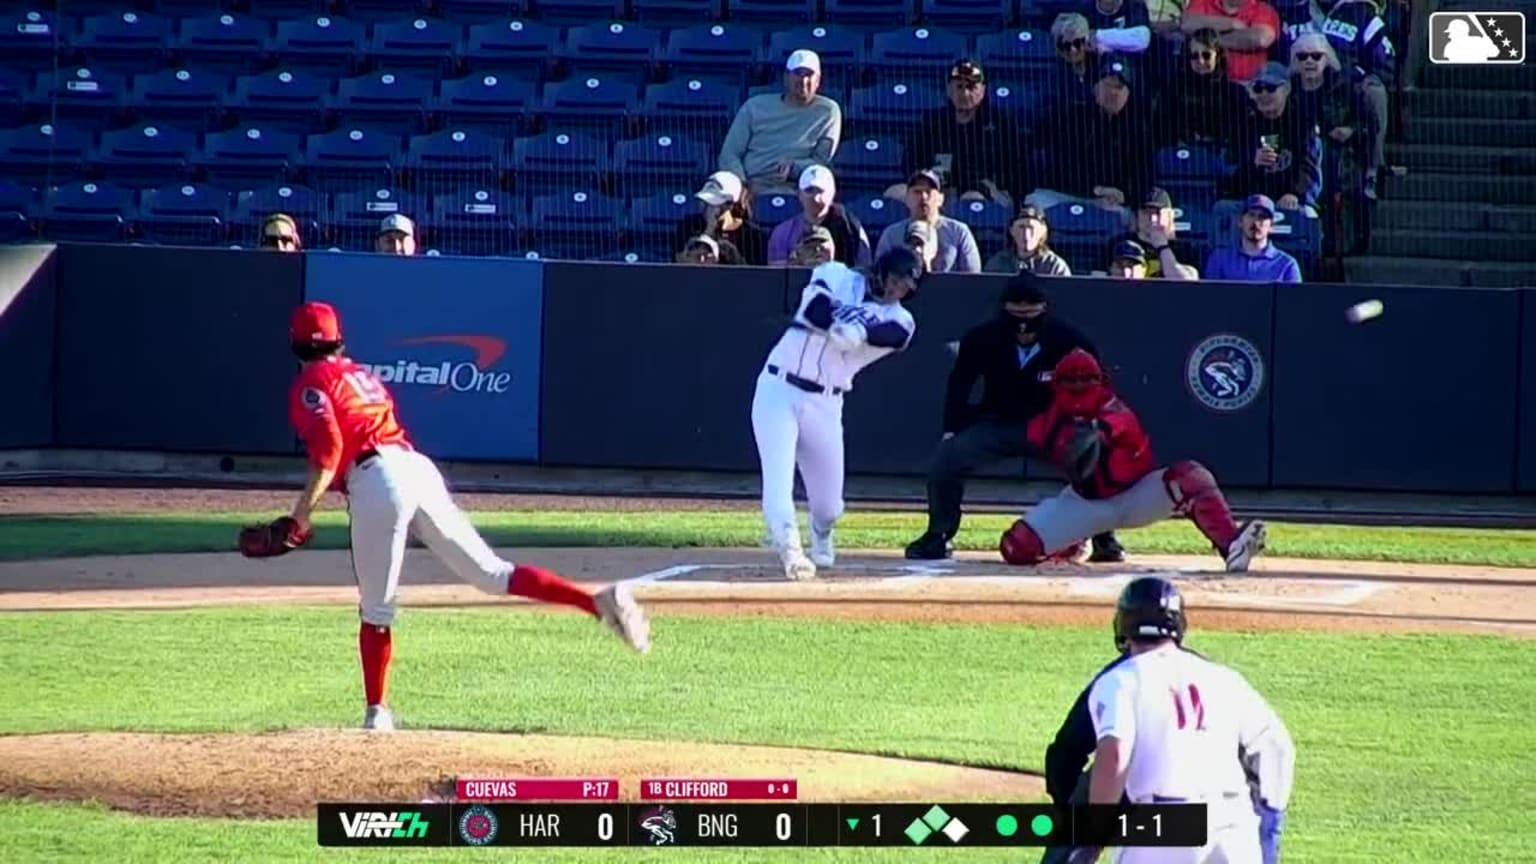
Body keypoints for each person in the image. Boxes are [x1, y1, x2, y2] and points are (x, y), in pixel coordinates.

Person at [238, 302, 651, 731]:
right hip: (416, 468)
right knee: (492, 573)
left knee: (377, 609)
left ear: (293, 343)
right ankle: (594, 603)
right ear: (339, 340)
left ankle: (377, 712)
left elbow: (329, 450)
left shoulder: (309, 384)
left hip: (377, 480)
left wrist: (300, 516)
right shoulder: (363, 376)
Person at [1054, 576, 1295, 864]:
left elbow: (1114, 755)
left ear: (1122, 625)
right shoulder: (1223, 677)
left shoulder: (1119, 680)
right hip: (1233, 824)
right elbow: (1277, 747)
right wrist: (1269, 827)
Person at [906, 275, 1125, 563]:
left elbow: (1100, 384)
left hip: (1052, 426)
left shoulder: (1070, 341)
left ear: (1045, 308)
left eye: (1031, 309)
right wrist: (951, 428)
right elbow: (960, 383)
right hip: (997, 423)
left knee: (1096, 459)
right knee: (946, 459)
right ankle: (939, 534)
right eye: (1016, 308)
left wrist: (1092, 425)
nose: (1023, 321)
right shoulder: (982, 338)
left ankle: (1104, 538)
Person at [998, 349, 1268, 572]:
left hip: (1136, 496)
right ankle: (1073, 542)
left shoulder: (1115, 410)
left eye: (1086, 380)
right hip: (1084, 503)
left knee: (1190, 476)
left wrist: (1092, 433)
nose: (1079, 387)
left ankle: (1231, 544)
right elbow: (1034, 437)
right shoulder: (1049, 419)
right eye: (1071, 381)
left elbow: (1104, 429)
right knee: (1016, 547)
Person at [753, 248, 922, 580]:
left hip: (826, 403)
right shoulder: (836, 274)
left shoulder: (901, 319)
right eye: (895, 281)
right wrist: (838, 325)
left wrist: (861, 333)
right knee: (778, 480)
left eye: (905, 288)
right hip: (778, 388)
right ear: (880, 271)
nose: (896, 290)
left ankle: (821, 530)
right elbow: (813, 309)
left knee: (829, 505)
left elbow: (893, 335)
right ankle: (791, 551)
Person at [1205, 194, 1304, 282]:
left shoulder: (1287, 265)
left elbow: (1293, 297)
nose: (1256, 222)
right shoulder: (1219, 259)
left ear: (1271, 226)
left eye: (1262, 217)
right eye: (1251, 215)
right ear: (1240, 221)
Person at [984, 204, 1072, 275]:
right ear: (1011, 230)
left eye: (1031, 228)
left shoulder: (1054, 266)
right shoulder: (997, 263)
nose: (1026, 234)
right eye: (1021, 227)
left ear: (1043, 231)